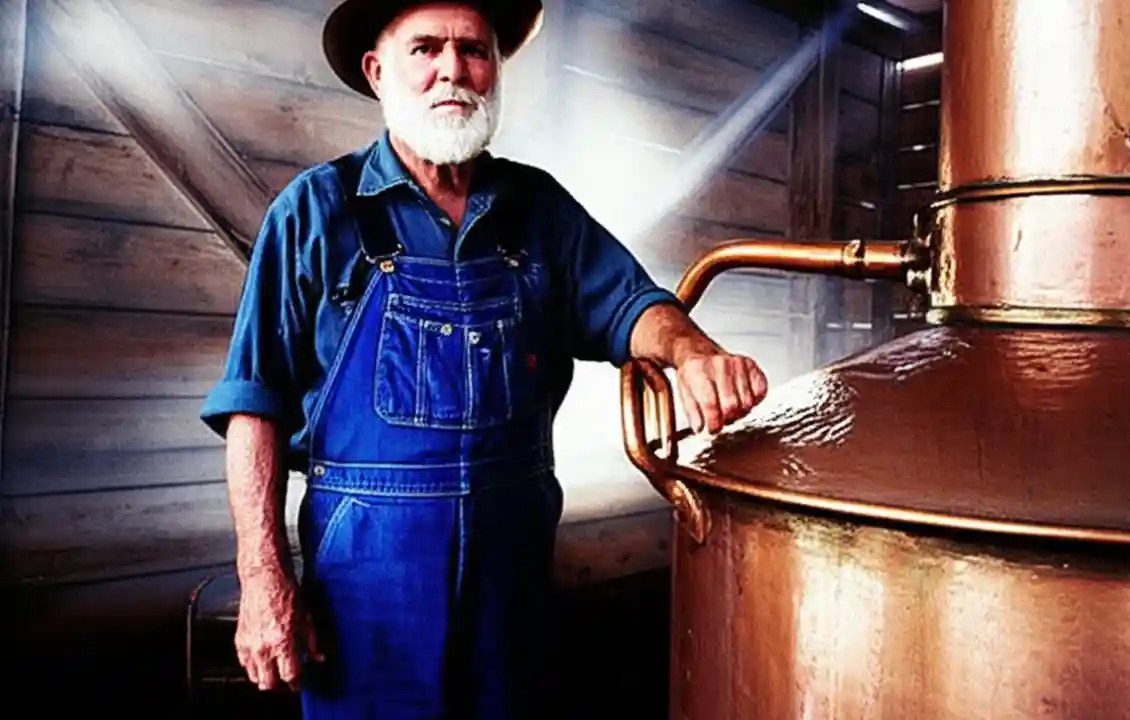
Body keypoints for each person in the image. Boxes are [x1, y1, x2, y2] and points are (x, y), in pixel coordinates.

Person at [198, 0, 768, 717]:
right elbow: (255, 406)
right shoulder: (315, 211)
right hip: (365, 591)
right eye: (425, 48)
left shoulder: (539, 209)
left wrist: (694, 351)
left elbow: (630, 305)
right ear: (378, 72)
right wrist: (263, 577)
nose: (452, 71)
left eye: (473, 51)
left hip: (513, 583)